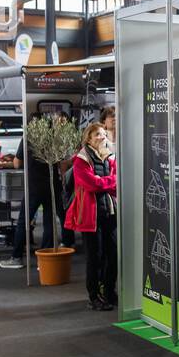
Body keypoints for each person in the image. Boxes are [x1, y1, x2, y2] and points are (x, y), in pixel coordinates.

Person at [65, 122, 117, 310]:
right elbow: (90, 185)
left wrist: (103, 182)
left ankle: (110, 292)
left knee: (112, 256)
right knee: (95, 258)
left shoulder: (110, 157)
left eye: (103, 134)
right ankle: (94, 297)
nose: (102, 137)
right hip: (90, 216)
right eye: (97, 134)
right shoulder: (81, 159)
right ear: (88, 138)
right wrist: (108, 182)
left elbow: (117, 181)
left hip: (110, 214)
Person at [0, 114, 60, 271]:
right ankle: (46, 259)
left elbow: (17, 163)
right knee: (49, 222)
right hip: (52, 185)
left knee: (24, 221)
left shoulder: (28, 138)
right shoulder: (55, 138)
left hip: (34, 185)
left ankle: (17, 257)